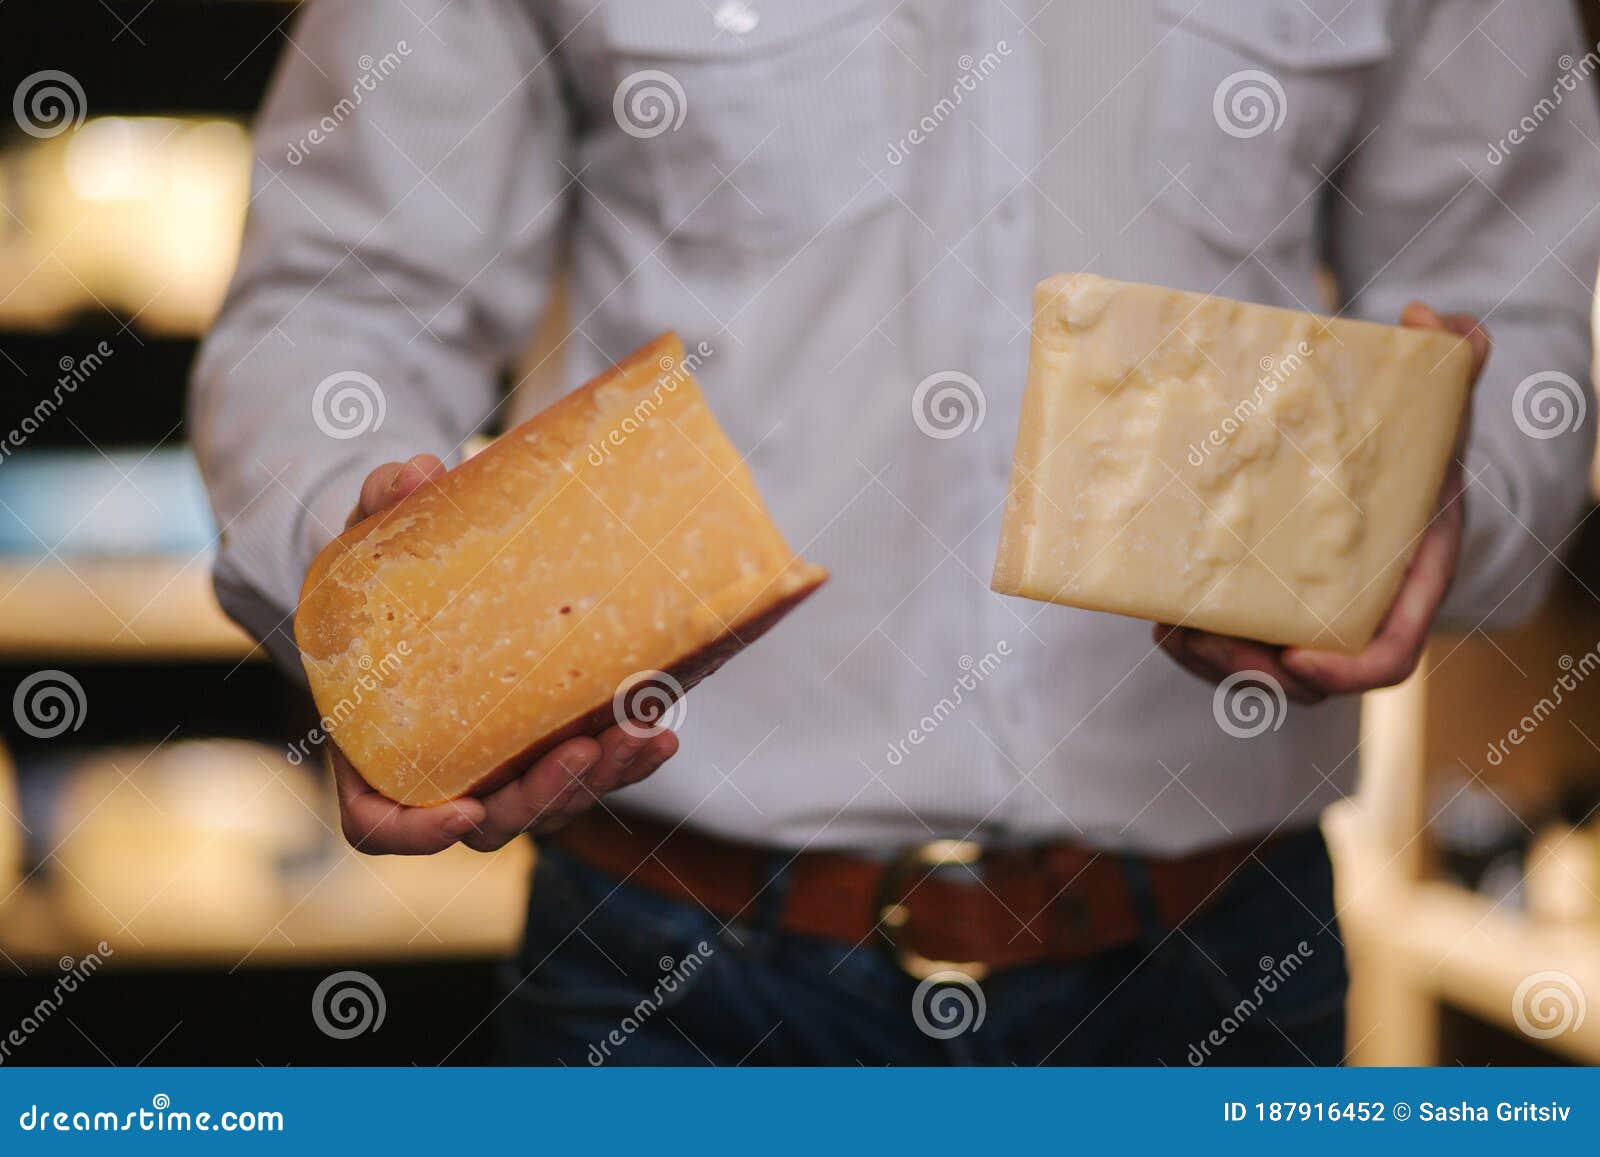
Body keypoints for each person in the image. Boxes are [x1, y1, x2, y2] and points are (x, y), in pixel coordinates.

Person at [190, 0, 1600, 1065]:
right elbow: (344, 297)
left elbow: (1523, 313)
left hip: (1217, 976)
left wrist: (1446, 500)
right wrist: (381, 613)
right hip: (668, 978)